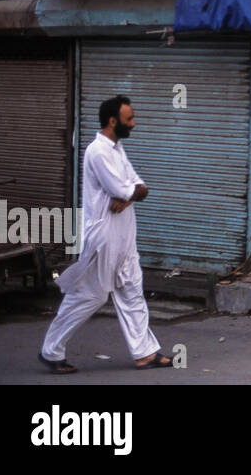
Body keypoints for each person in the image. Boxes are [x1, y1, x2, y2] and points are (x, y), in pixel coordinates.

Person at [37, 95, 173, 373]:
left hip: (124, 236)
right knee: (90, 296)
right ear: (113, 121)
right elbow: (124, 189)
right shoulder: (97, 152)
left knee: (132, 290)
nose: (134, 123)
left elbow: (138, 185)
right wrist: (131, 193)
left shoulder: (117, 148)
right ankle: (51, 351)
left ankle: (145, 353)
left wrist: (130, 195)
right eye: (129, 119)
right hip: (104, 237)